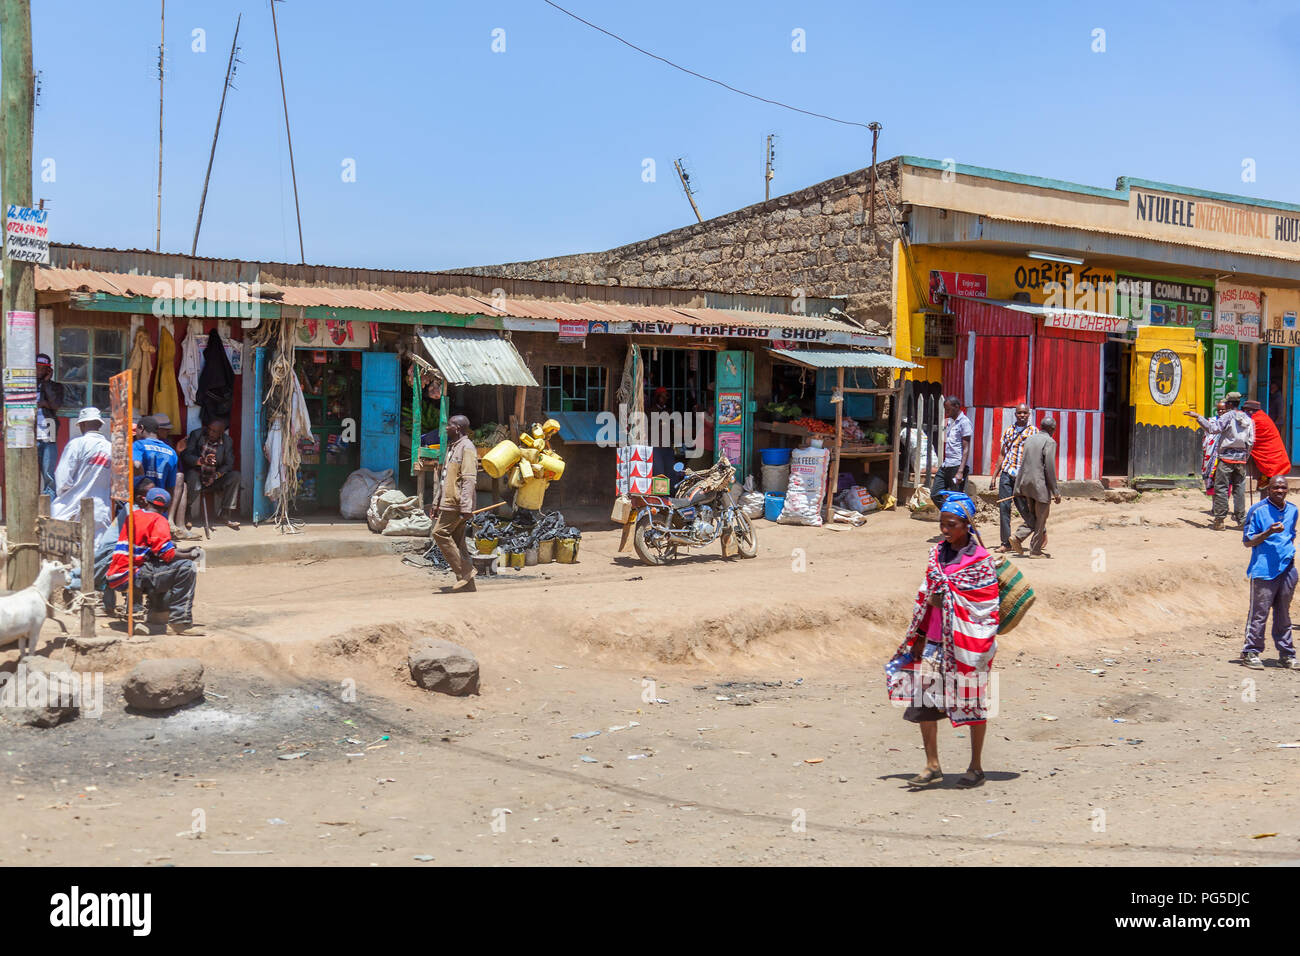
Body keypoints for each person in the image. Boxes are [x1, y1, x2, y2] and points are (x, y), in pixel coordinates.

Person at [885, 492, 998, 789]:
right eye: (942, 524)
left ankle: (976, 767)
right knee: (924, 703)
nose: (944, 531)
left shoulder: (981, 562)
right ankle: (932, 765)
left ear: (966, 525)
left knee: (972, 701)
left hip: (966, 644)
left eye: (950, 525)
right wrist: (921, 635)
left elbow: (985, 607)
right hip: (934, 640)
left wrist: (947, 599)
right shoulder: (936, 554)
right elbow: (926, 595)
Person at [105, 487, 199, 633]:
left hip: (116, 575)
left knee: (162, 567)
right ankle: (180, 621)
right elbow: (167, 554)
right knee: (186, 567)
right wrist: (189, 556)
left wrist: (183, 551)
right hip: (131, 575)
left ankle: (157, 613)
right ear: (167, 508)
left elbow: (156, 550)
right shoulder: (159, 520)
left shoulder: (134, 516)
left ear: (145, 502)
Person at [1241, 475, 1299, 670]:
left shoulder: (1293, 510)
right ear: (1268, 489)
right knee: (1259, 612)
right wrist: (1268, 533)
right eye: (1276, 488)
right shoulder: (1257, 510)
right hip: (1264, 569)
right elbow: (1248, 541)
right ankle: (1251, 652)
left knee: (1284, 613)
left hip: (1287, 568)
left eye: (1283, 488)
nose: (1280, 491)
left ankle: (1287, 654)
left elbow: (1291, 535)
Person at [1187, 392, 1254, 530]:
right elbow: (1251, 441)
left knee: (1222, 488)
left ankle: (1220, 520)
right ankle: (1241, 520)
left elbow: (1212, 429)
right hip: (1241, 459)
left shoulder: (1227, 417)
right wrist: (1245, 456)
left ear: (1229, 403)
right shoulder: (1247, 418)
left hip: (1226, 458)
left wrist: (1198, 417)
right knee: (1239, 489)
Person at [431, 414, 478, 592]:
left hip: (457, 503)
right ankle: (468, 585)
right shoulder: (452, 448)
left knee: (440, 533)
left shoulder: (467, 448)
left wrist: (466, 506)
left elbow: (469, 479)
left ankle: (466, 572)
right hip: (448, 502)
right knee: (459, 543)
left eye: (449, 425)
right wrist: (436, 503)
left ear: (457, 428)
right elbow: (445, 479)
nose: (446, 428)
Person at [50, 407, 114, 532]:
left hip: (72, 508)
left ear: (82, 424)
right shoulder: (110, 447)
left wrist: (66, 494)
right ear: (100, 424)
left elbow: (63, 479)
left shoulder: (76, 444)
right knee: (95, 549)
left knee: (71, 549)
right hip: (101, 511)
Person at [988, 403, 1037, 552]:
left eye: (1025, 413)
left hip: (1022, 478)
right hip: (1007, 475)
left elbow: (1036, 456)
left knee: (1024, 509)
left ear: (1029, 415)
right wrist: (994, 476)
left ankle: (1040, 532)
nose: (1022, 415)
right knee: (1004, 507)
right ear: (1015, 414)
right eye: (1019, 413)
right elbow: (1002, 454)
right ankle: (1006, 543)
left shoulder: (1034, 432)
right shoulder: (1009, 431)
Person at [1011, 416, 1061, 556]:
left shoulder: (1030, 439)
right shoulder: (1050, 442)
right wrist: (1055, 491)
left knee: (1034, 516)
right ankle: (1034, 549)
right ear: (1052, 429)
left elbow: (1025, 462)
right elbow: (1049, 468)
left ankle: (1018, 537)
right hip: (1040, 485)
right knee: (1042, 517)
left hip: (1026, 484)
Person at [181, 417, 241, 530]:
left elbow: (229, 464)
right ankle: (186, 512)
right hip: (197, 475)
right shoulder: (197, 435)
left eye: (214, 431)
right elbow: (186, 455)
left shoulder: (227, 441)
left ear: (221, 433)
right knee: (193, 476)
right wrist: (201, 461)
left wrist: (216, 475)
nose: (210, 432)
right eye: (209, 429)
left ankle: (225, 513)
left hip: (214, 478)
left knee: (235, 476)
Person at [133, 414, 182, 529]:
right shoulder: (171, 452)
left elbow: (136, 465)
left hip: (142, 507)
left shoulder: (139, 445)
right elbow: (171, 487)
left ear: (141, 428)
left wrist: (141, 483)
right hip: (159, 509)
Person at [930, 396, 972, 505]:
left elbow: (966, 448)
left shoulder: (964, 422)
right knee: (935, 494)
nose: (946, 412)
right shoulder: (949, 422)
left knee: (956, 498)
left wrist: (960, 471)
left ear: (956, 407)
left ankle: (958, 518)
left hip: (957, 466)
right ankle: (949, 514)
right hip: (946, 464)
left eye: (948, 409)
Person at [1243, 398, 1291, 488]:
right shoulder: (1262, 416)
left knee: (1271, 484)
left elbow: (1247, 437)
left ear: (1250, 411)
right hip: (1271, 454)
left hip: (1269, 456)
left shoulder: (1257, 420)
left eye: (1245, 411)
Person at [35, 352, 64, 497]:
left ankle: (49, 510)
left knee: (48, 475)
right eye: (37, 367)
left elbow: (55, 404)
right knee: (30, 474)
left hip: (49, 434)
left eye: (43, 368)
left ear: (48, 370)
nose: (40, 370)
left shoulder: (55, 387)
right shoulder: (26, 386)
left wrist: (46, 383)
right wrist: (43, 404)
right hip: (29, 436)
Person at [1196, 399, 1227, 496]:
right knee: (1212, 478)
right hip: (1212, 455)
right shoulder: (1212, 421)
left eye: (1223, 410)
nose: (1220, 412)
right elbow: (1207, 437)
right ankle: (1214, 504)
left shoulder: (1230, 421)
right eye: (1218, 410)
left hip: (1225, 454)